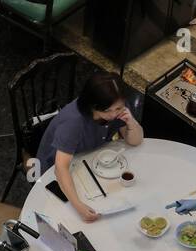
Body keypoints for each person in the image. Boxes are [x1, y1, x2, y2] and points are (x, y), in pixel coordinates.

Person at [36, 72, 144, 224]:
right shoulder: (74, 122)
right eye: (107, 110)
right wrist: (78, 205)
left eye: (119, 108)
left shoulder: (118, 110)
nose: (114, 114)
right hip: (55, 168)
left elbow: (135, 141)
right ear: (92, 105)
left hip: (88, 159)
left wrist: (131, 121)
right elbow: (60, 168)